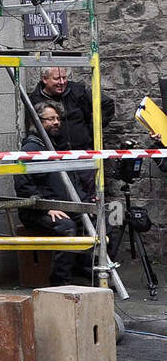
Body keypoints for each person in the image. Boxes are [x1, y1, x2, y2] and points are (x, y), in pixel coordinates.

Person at [15, 101, 93, 285]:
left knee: (100, 222)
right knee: (67, 228)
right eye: (50, 119)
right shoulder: (30, 150)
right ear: (37, 122)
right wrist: (46, 208)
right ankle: (60, 281)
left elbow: (73, 181)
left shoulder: (59, 146)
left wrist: (86, 202)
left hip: (66, 205)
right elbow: (23, 186)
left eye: (57, 118)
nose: (56, 122)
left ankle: (89, 273)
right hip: (39, 210)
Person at [30, 67, 114, 196]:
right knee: (67, 196)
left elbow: (106, 104)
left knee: (93, 196)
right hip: (58, 158)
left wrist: (91, 130)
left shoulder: (77, 91)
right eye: (57, 78)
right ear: (45, 79)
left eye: (64, 78)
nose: (62, 82)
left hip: (84, 153)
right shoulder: (35, 100)